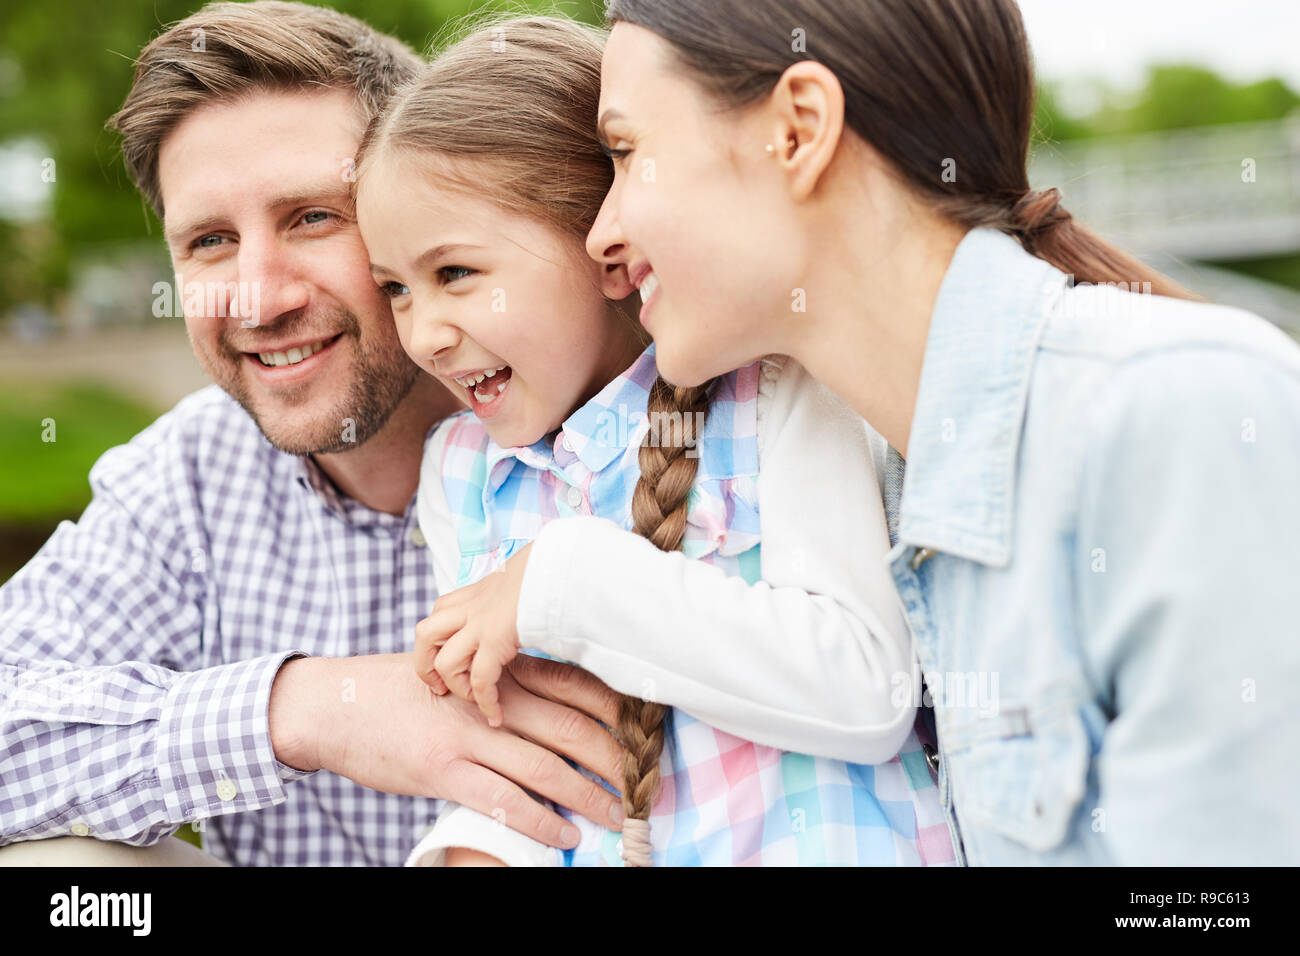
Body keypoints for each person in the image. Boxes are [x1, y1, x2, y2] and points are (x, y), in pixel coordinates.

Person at [421, 0, 1300, 865]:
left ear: (799, 130)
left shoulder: (1177, 413)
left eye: (625, 153)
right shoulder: (890, 491)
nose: (601, 235)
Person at [0, 1, 628, 866]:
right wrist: (307, 710)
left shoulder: (615, 441)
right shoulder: (189, 477)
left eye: (312, 218)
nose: (258, 299)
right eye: (210, 240)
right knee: (50, 868)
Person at [353, 14, 950, 867]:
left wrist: (569, 581)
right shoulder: (462, 476)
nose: (425, 336)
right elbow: (515, 755)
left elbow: (868, 690)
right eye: (395, 290)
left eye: (455, 274)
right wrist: (469, 848)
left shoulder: (771, 390)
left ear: (603, 246)